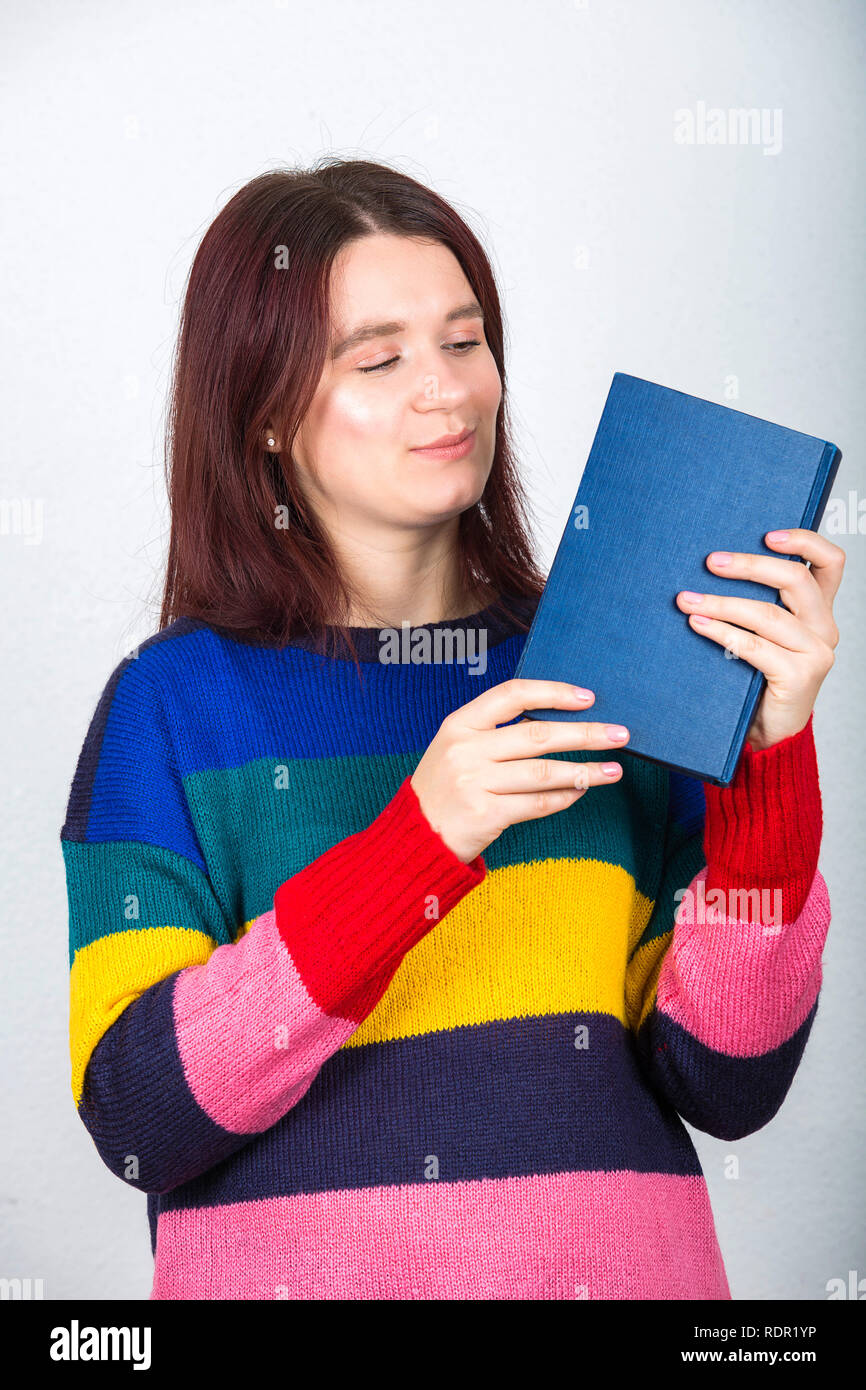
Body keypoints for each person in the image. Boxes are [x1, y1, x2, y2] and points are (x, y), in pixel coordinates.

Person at [60, 158, 844, 1300]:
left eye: (464, 341)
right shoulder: (170, 707)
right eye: (379, 358)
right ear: (267, 411)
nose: (448, 391)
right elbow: (138, 1116)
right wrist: (418, 843)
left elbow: (729, 1080)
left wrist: (767, 764)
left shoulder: (609, 663)